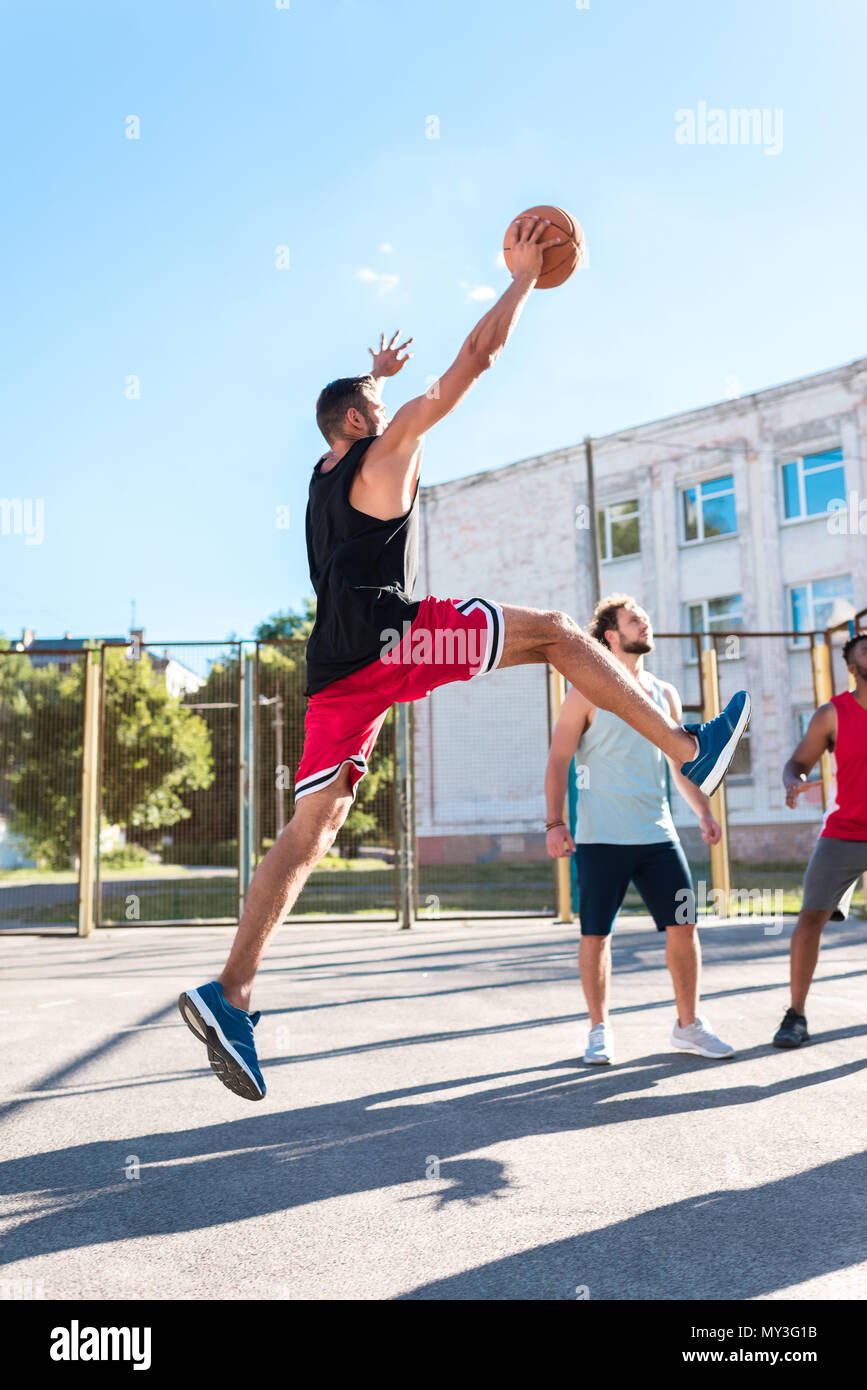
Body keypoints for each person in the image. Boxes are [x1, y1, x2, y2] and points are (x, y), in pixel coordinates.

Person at [179, 217, 750, 1099]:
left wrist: (371, 374)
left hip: (332, 669)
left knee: (312, 828)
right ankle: (689, 751)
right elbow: (473, 363)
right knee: (561, 632)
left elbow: (343, 413)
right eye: (379, 407)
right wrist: (523, 278)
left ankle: (231, 991)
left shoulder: (321, 478)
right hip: (395, 636)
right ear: (366, 421)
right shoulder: (387, 444)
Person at [546, 595, 735, 1064]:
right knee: (596, 933)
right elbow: (558, 760)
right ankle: (598, 1030)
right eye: (635, 620)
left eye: (645, 618)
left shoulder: (664, 692)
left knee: (684, 924)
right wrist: (555, 822)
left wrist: (703, 812)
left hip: (658, 836)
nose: (645, 623)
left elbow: (679, 764)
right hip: (599, 837)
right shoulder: (585, 690)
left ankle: (688, 1026)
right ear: (611, 634)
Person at [773, 631, 867, 1048]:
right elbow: (797, 762)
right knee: (810, 917)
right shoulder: (833, 714)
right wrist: (795, 781)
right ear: (852, 666)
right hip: (845, 832)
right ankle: (796, 1015)